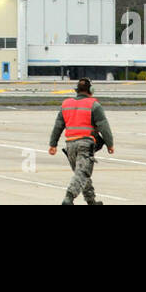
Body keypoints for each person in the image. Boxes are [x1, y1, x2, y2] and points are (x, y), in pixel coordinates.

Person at [48, 77, 114, 205]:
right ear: (91, 90)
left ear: (77, 90)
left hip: (70, 145)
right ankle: (69, 197)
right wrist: (110, 144)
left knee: (81, 175)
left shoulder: (66, 104)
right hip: (85, 144)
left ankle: (91, 201)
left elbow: (58, 126)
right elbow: (104, 126)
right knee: (83, 173)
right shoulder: (94, 105)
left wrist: (53, 144)